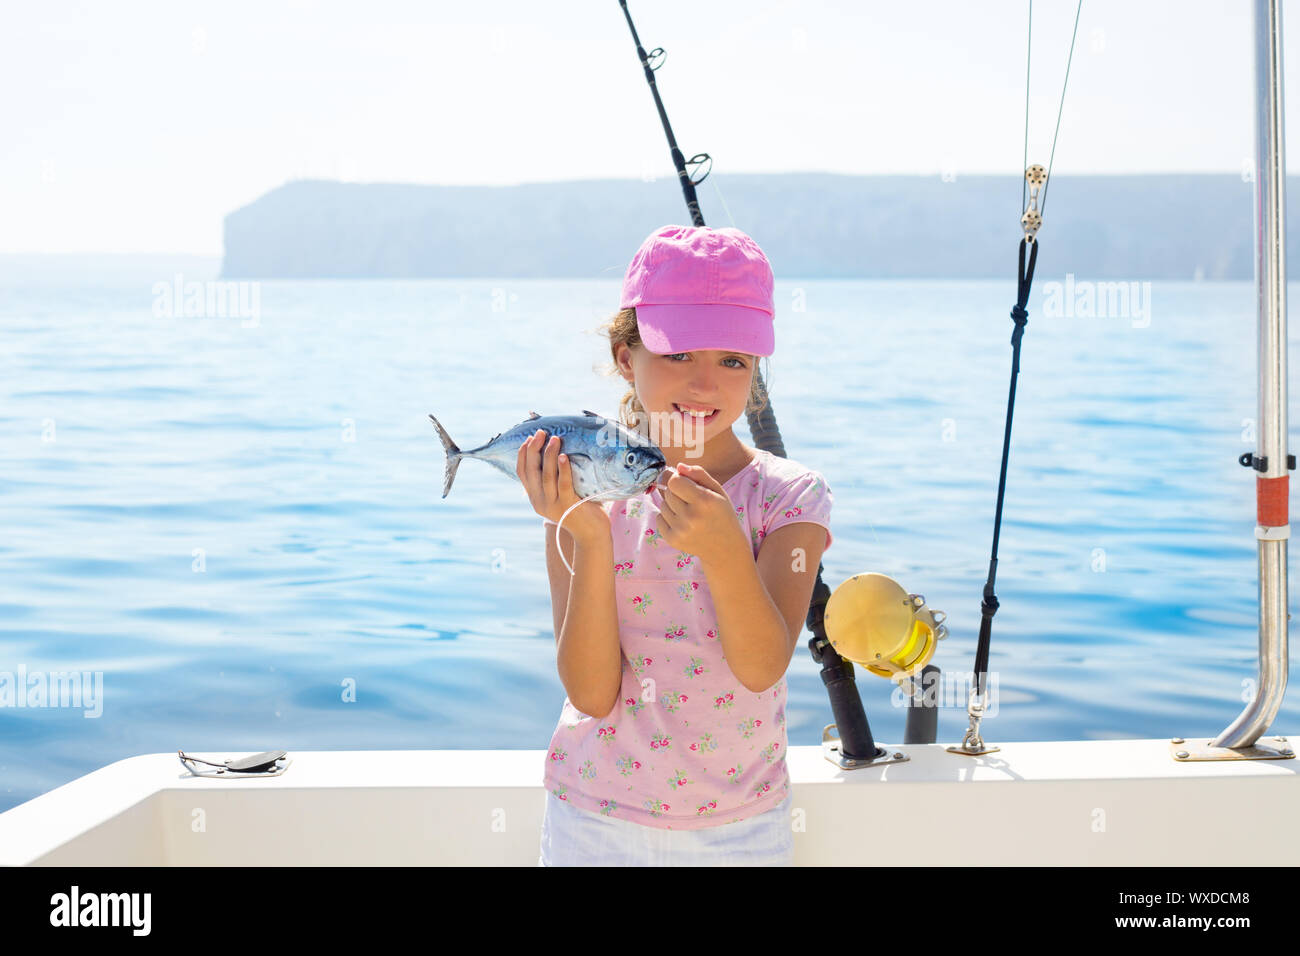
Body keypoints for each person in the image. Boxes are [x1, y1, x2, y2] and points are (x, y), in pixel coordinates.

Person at [517, 224, 834, 866]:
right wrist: (584, 530)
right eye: (679, 354)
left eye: (733, 361)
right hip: (591, 819)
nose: (706, 384)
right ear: (625, 358)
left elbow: (761, 666)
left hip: (741, 830)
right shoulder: (583, 494)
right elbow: (590, 693)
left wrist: (723, 551)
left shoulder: (789, 499)